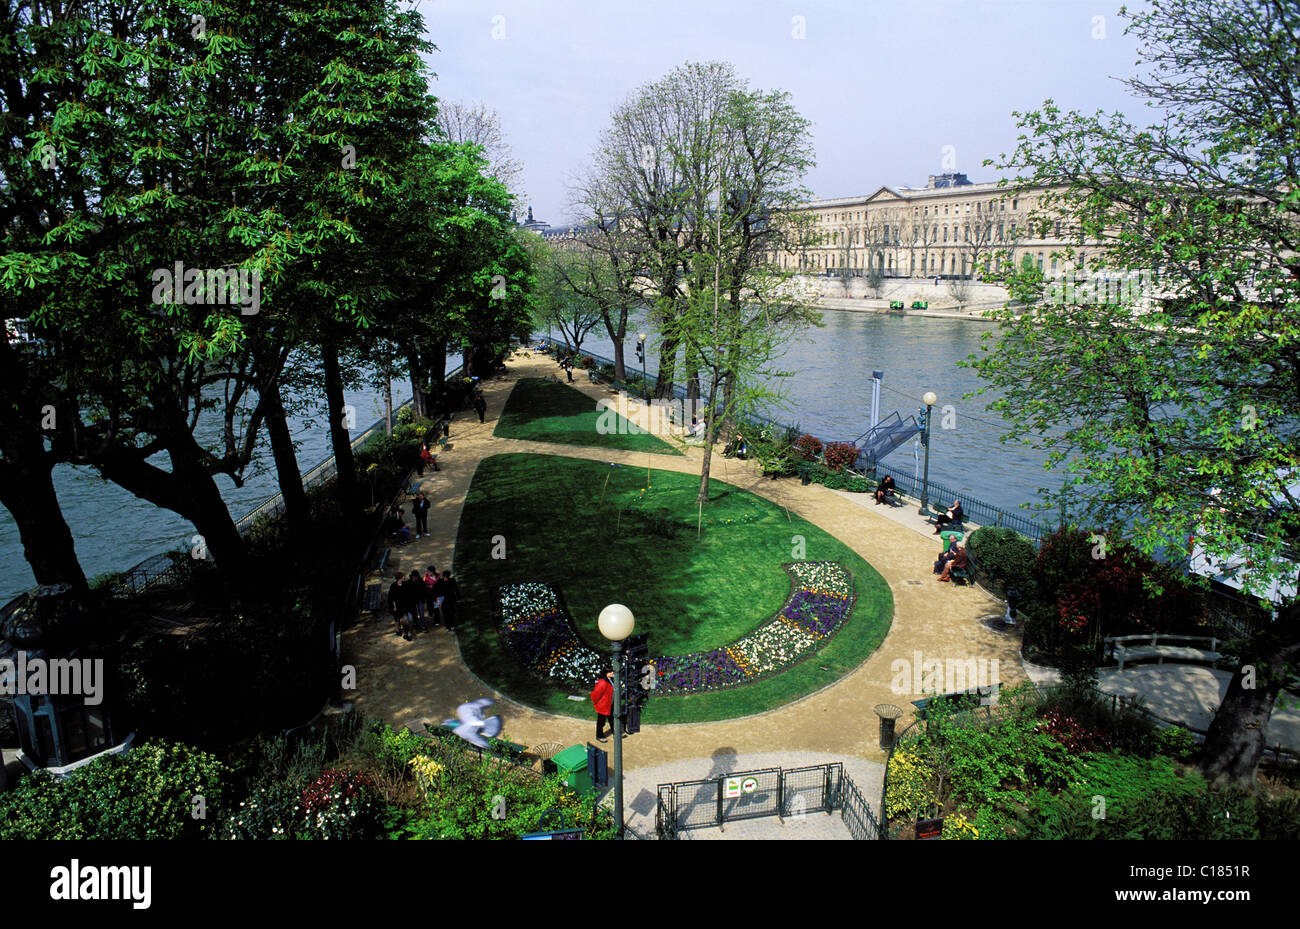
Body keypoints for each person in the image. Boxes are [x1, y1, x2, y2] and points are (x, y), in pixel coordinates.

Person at [590, 669, 614, 742]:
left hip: (610, 703)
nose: (612, 673)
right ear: (606, 673)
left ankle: (615, 733)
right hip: (603, 705)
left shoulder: (610, 680)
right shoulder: (602, 682)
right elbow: (595, 694)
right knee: (601, 722)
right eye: (610, 672)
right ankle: (599, 735)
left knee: (613, 719)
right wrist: (596, 703)